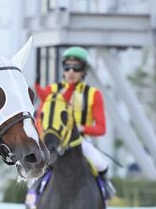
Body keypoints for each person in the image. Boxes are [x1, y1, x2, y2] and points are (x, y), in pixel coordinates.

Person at [35, 46, 114, 199]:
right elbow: (39, 119)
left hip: (79, 141)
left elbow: (101, 128)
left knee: (100, 164)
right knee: (39, 165)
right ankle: (34, 193)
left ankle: (105, 190)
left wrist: (81, 127)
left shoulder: (94, 94)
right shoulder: (51, 90)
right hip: (54, 140)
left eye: (76, 68)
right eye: (67, 67)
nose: (71, 71)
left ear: (84, 71)